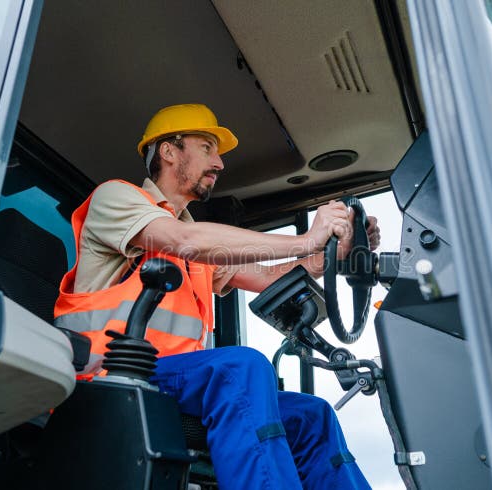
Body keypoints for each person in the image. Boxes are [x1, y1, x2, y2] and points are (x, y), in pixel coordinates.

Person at [54, 104, 379, 489]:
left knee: (312, 415)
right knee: (240, 368)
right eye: (207, 147)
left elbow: (271, 276)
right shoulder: (117, 198)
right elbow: (185, 242)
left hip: (176, 385)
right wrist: (308, 237)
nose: (220, 163)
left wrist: (334, 254)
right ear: (168, 151)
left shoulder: (197, 240)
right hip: (107, 377)